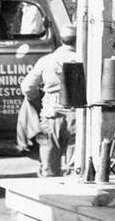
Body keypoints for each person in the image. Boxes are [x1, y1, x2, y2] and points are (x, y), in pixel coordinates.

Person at [21, 24, 82, 177]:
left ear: (62, 40)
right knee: (75, 169)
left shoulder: (47, 60)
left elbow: (27, 87)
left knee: (48, 166)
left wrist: (37, 99)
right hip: (77, 117)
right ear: (78, 40)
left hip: (51, 115)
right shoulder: (84, 60)